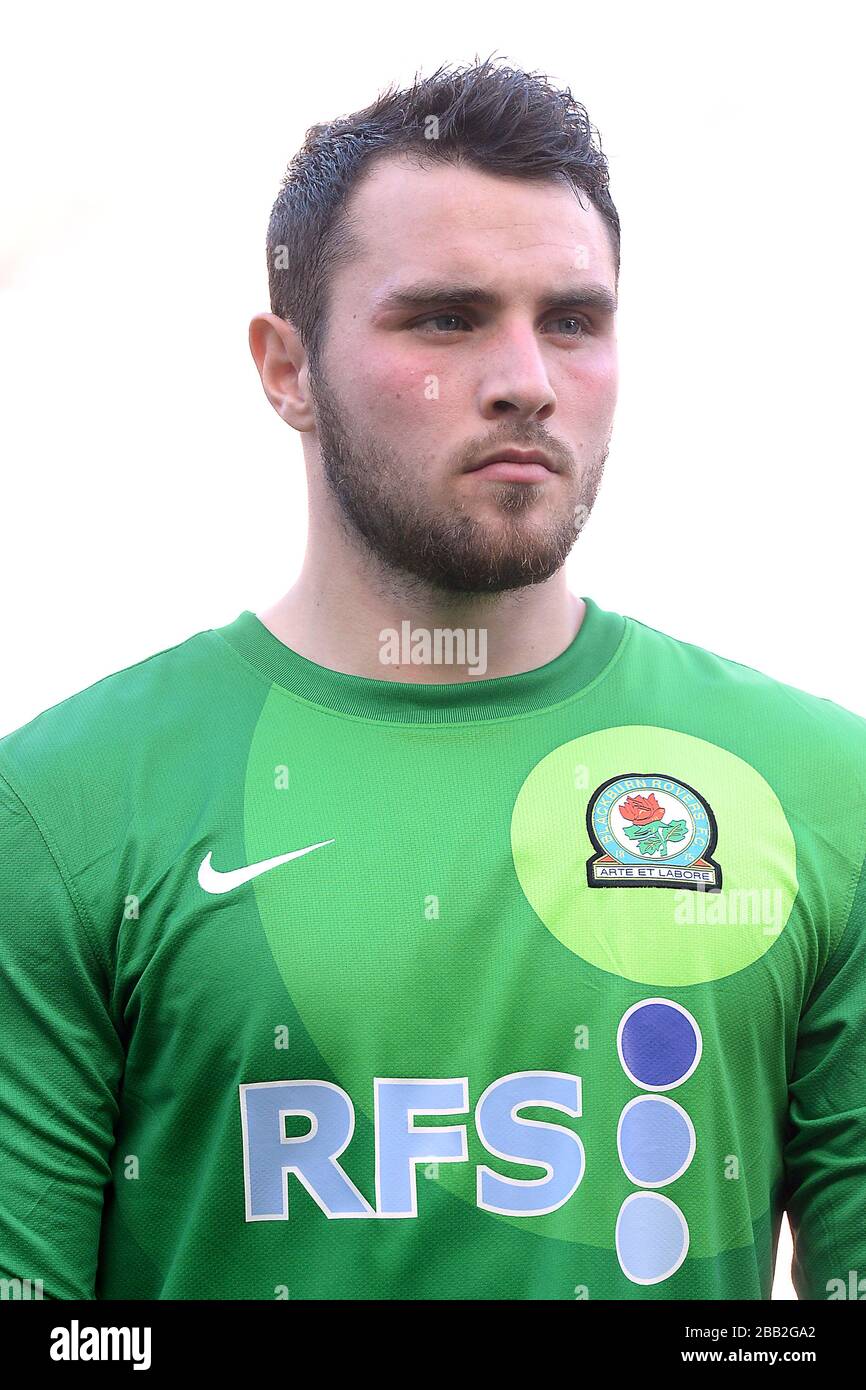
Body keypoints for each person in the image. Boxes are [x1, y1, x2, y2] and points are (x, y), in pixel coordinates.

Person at [1, 56, 864, 1302]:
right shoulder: (63, 811)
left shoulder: (819, 794)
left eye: (572, 319)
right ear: (286, 368)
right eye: (445, 318)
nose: (527, 378)